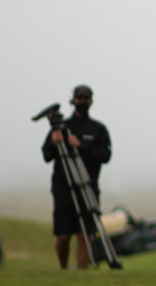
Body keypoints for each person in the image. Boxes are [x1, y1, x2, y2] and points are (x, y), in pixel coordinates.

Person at [43, 84, 112, 269]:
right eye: (79, 98)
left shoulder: (98, 129)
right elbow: (46, 156)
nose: (82, 101)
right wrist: (53, 142)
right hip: (63, 187)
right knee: (63, 235)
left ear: (91, 101)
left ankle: (82, 274)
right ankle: (63, 270)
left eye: (85, 98)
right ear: (73, 100)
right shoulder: (62, 128)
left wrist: (81, 145)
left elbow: (105, 156)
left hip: (88, 186)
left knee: (85, 234)